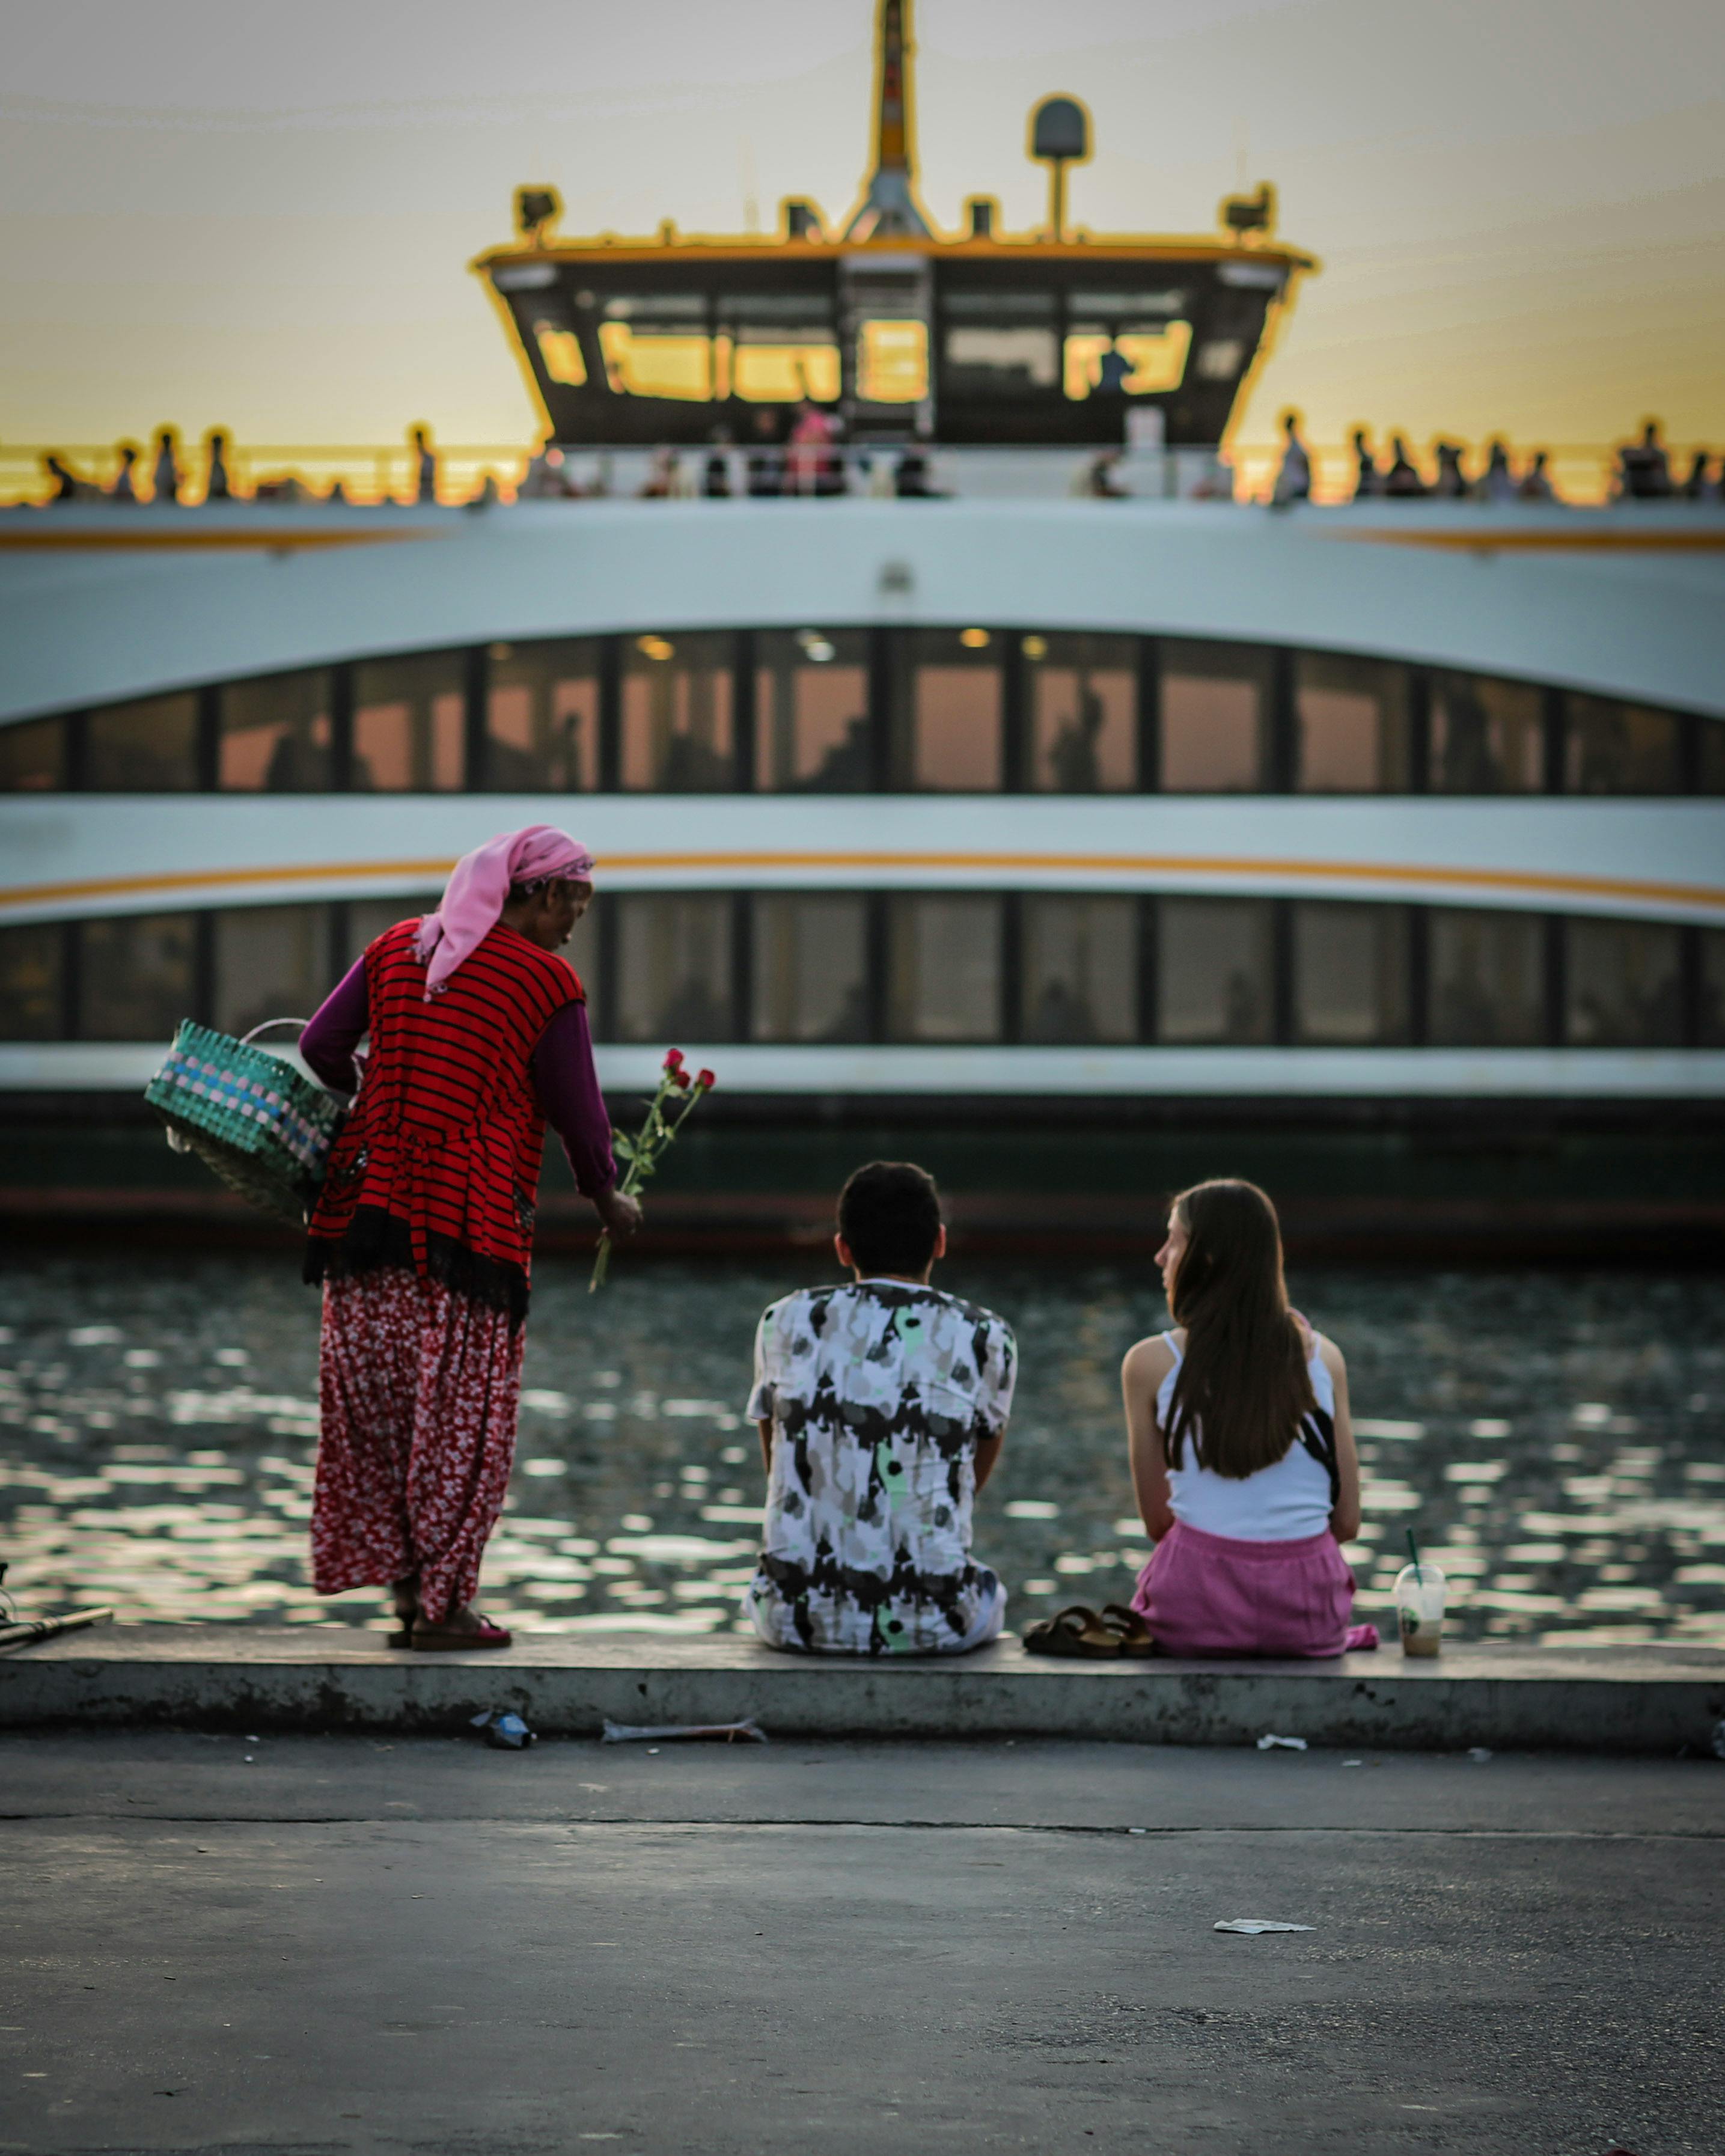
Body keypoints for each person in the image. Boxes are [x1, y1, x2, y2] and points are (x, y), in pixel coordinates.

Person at [298, 826, 641, 1649]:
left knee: (379, 1419)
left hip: (364, 1222)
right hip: (466, 1230)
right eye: (575, 907)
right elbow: (578, 1109)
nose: (573, 926)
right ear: (544, 893)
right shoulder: (543, 980)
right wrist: (606, 1196)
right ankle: (446, 1609)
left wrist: (375, 1099)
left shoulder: (397, 946)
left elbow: (319, 1045)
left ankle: (410, 1597)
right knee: (458, 1423)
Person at [743, 1160, 1015, 1656]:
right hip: (936, 1624)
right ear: (940, 1241)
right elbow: (967, 1481)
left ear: (842, 1247)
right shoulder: (987, 1335)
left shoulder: (782, 1321)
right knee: (993, 1590)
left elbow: (780, 1465)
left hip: (791, 1620)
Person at [1119, 1179, 1375, 1658]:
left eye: (1173, 1239)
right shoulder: (1326, 1359)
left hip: (1193, 1612)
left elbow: (1158, 1522)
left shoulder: (1150, 1363)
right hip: (1309, 1618)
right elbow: (1346, 1521)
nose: (1160, 1256)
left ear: (1208, 1259)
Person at [1269, 410, 1310, 506]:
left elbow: (1304, 463)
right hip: (1291, 488)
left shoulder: (1296, 446)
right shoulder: (1293, 444)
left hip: (1296, 488)